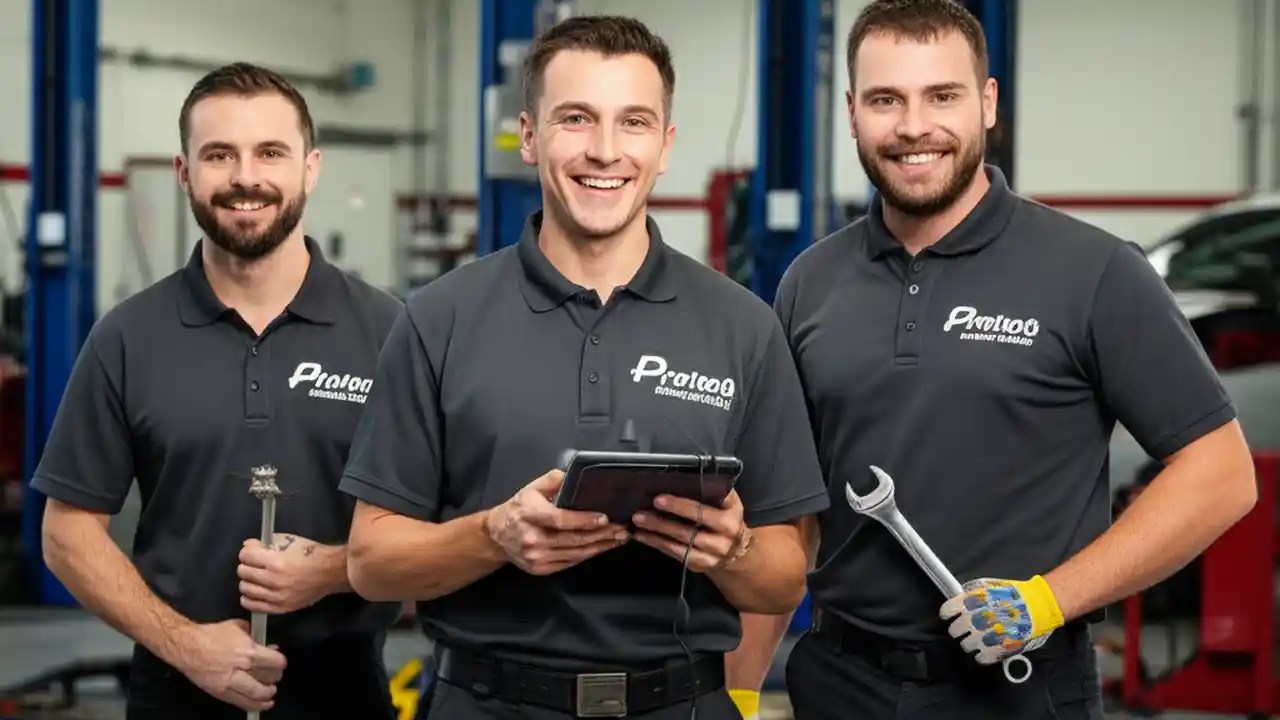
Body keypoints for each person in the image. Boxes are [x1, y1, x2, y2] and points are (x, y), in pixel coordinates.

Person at [728, 1, 1259, 718]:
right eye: (886, 100)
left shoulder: (1094, 271)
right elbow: (789, 519)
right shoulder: (809, 283)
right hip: (839, 683)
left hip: (1021, 689)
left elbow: (1221, 475)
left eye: (941, 96)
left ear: (986, 104)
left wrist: (1047, 600)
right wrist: (738, 689)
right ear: (852, 112)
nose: (914, 127)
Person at [338, 14, 828, 720]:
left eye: (633, 123)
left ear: (664, 147)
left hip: (681, 704)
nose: (605, 151)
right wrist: (494, 535)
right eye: (576, 119)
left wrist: (736, 549)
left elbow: (784, 580)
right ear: (530, 136)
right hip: (485, 704)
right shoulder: (438, 318)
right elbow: (370, 562)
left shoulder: (743, 325)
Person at [33, 62, 403, 720]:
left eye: (270, 152)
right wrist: (187, 646)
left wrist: (333, 569)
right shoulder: (127, 336)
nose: (245, 178)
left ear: (310, 168)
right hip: (176, 690)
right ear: (185, 173)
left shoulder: (391, 331)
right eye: (219, 154)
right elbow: (67, 535)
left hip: (344, 694)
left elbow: (442, 527)